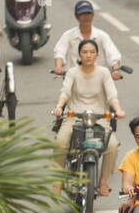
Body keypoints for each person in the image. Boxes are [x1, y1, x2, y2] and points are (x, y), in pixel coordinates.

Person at [51, 38, 124, 197]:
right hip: (74, 117)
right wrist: (59, 106)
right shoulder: (72, 72)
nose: (88, 55)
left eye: (92, 52)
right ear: (79, 55)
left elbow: (112, 95)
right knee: (61, 142)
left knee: (112, 146)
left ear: (97, 54)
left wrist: (118, 110)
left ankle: (103, 181)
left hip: (99, 119)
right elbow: (65, 92)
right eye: (84, 52)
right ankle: (58, 180)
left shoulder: (104, 72)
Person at [53, 0, 124, 80]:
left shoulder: (102, 36)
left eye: (88, 13)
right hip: (74, 80)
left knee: (111, 92)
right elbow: (59, 52)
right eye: (82, 14)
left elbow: (113, 54)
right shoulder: (68, 35)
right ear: (76, 16)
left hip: (98, 80)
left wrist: (115, 70)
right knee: (64, 92)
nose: (86, 16)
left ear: (93, 15)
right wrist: (58, 67)